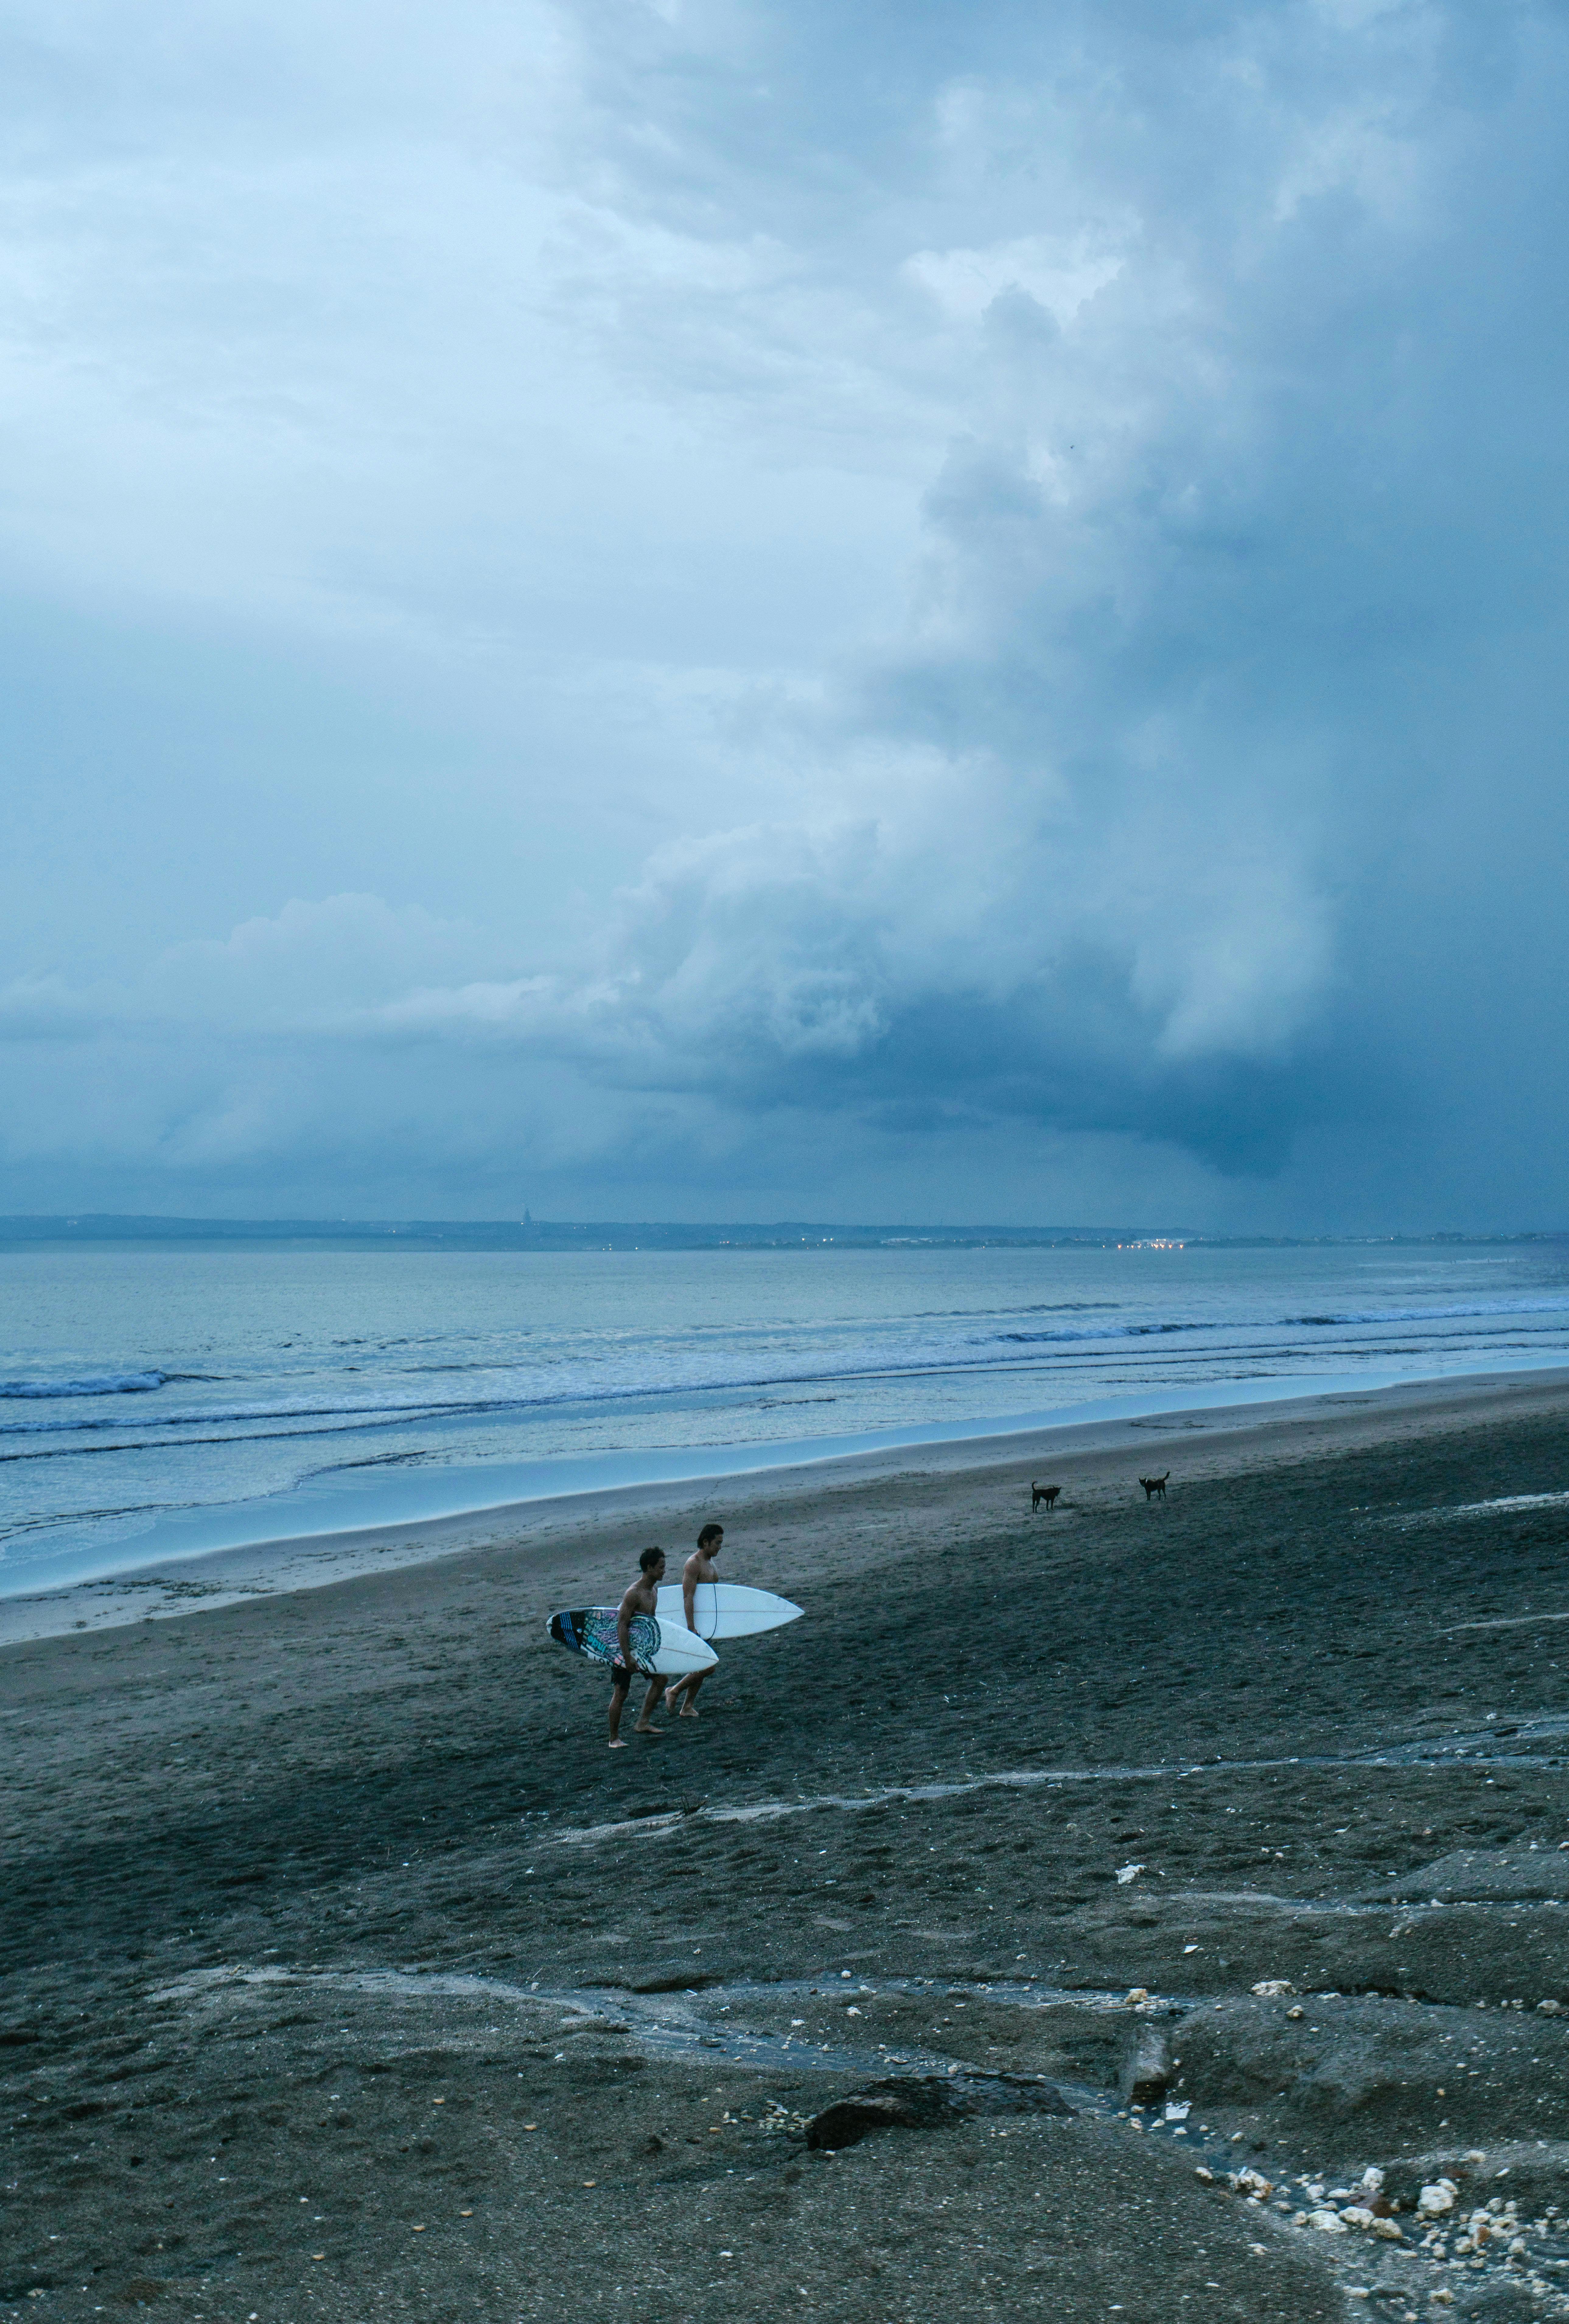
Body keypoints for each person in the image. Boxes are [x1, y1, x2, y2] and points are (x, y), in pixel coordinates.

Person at [608, 1547, 669, 1748]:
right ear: (649, 1568)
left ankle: (643, 1723)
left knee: (661, 1679)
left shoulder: (654, 1590)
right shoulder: (633, 1594)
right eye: (661, 1567)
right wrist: (626, 1657)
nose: (664, 1571)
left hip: (642, 1650)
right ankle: (613, 1739)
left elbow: (650, 1623)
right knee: (621, 1693)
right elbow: (622, 1624)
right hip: (624, 1649)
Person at [664, 1522, 724, 1719]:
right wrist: (691, 1627)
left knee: (701, 1666)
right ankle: (673, 1691)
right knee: (708, 1666)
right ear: (705, 1542)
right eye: (717, 1543)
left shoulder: (710, 1562)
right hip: (695, 1624)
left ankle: (688, 1706)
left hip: (707, 1624)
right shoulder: (693, 1563)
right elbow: (688, 1596)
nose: (720, 1547)